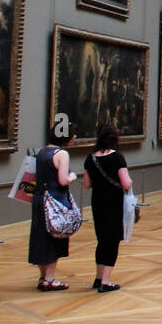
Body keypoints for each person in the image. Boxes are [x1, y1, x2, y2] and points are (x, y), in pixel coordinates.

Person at [81, 124, 131, 292]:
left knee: (102, 240)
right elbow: (126, 183)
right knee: (112, 242)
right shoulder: (117, 158)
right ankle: (106, 281)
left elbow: (87, 184)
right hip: (114, 202)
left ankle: (98, 277)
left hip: (98, 202)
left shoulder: (90, 158)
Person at [29, 124, 78, 290]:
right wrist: (72, 176)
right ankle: (50, 279)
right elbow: (63, 180)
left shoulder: (42, 152)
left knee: (41, 236)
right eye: (73, 134)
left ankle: (43, 276)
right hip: (55, 201)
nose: (75, 137)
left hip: (39, 199)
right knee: (54, 237)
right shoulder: (62, 154)